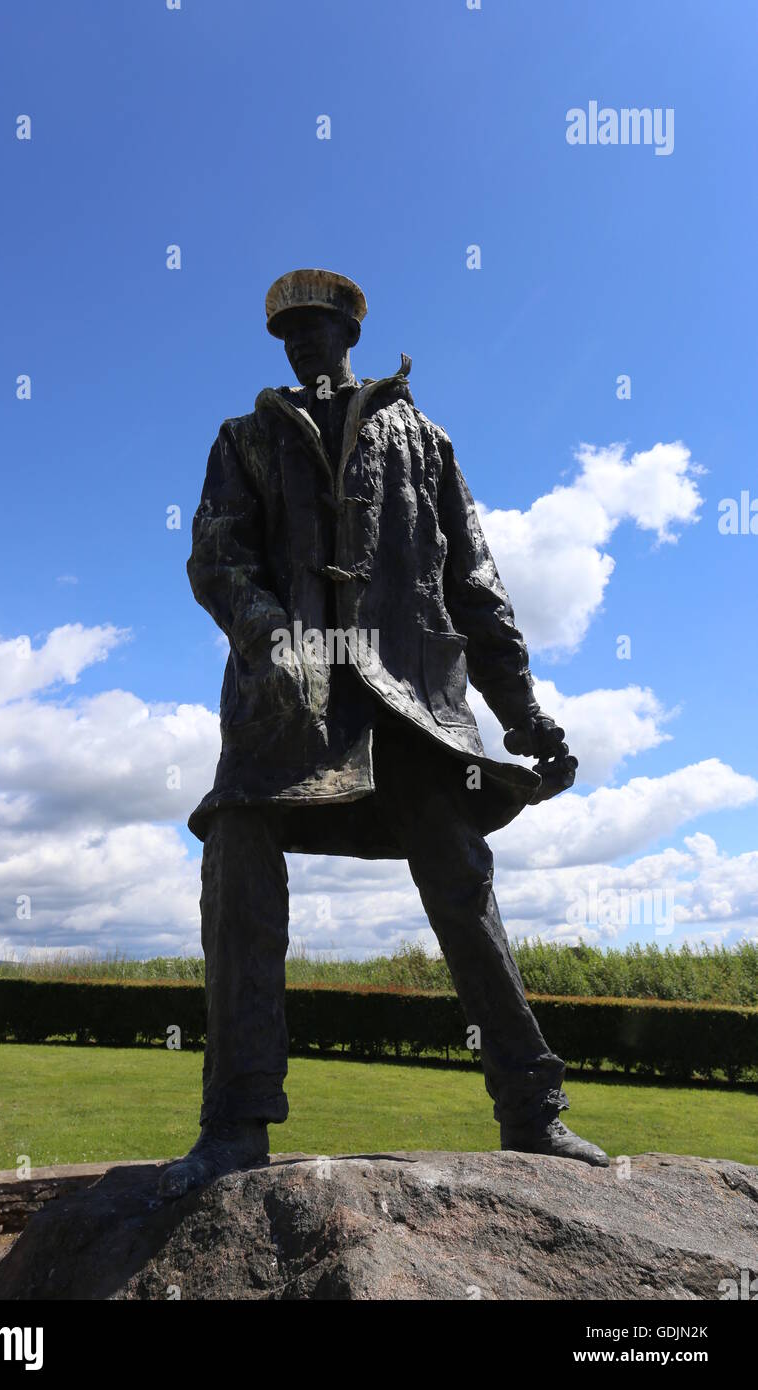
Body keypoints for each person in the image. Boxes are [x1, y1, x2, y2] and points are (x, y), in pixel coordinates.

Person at [160, 268, 607, 1199]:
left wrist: (524, 716)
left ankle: (534, 1111)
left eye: (318, 325)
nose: (304, 341)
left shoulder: (425, 440)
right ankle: (235, 1121)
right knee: (237, 850)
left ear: (351, 330)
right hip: (285, 704)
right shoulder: (243, 440)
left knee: (461, 879)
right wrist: (271, 634)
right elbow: (216, 555)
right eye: (289, 331)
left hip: (410, 701)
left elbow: (477, 586)